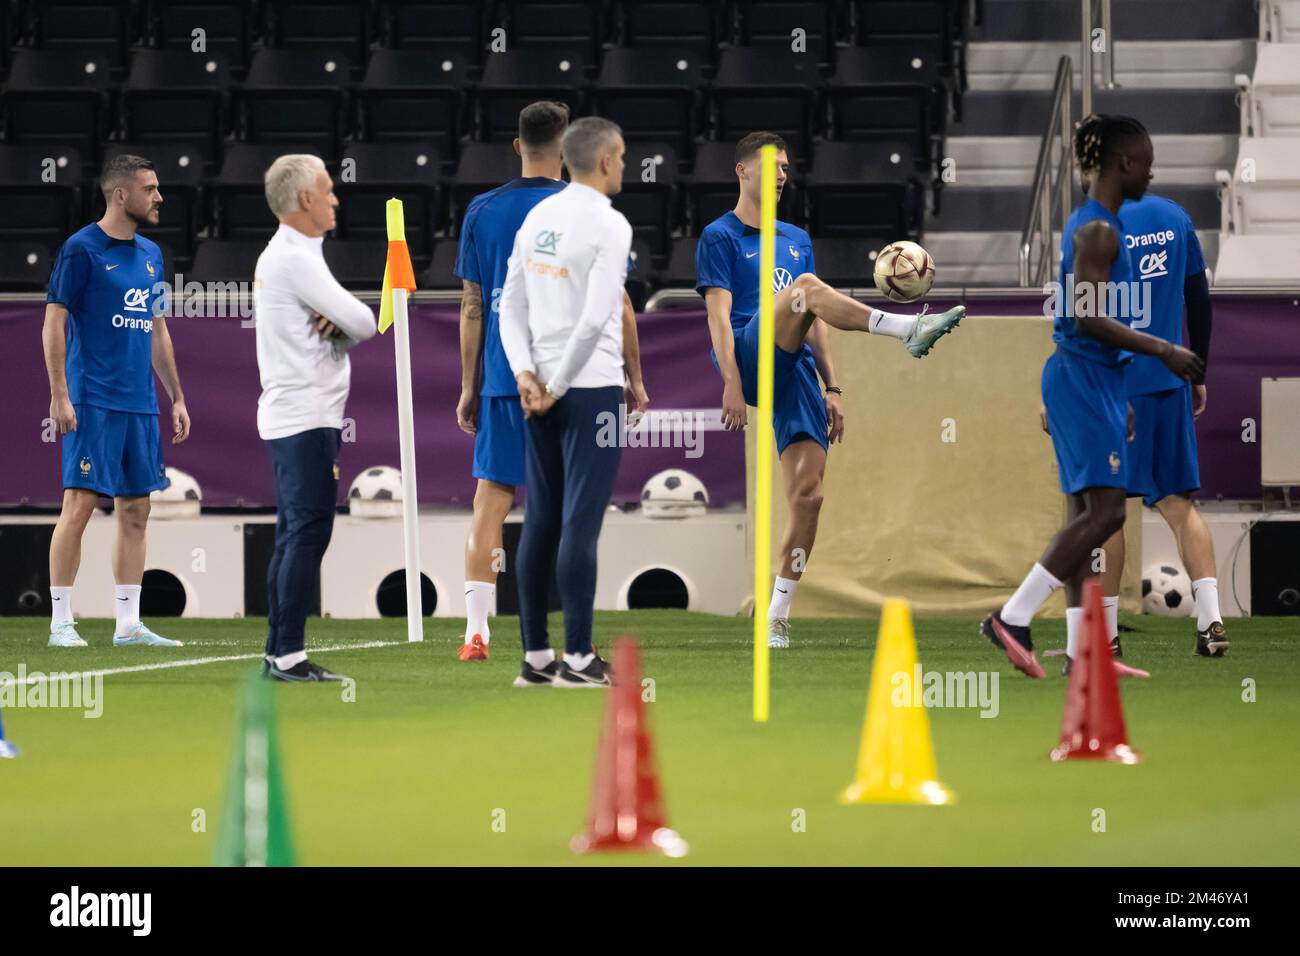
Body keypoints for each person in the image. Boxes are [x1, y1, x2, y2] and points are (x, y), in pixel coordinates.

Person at [695, 131, 965, 649]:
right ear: (742, 171)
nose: (780, 176)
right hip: (748, 351)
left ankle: (775, 616)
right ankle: (908, 329)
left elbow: (814, 318)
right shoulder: (720, 236)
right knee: (805, 289)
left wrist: (833, 387)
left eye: (785, 168)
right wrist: (731, 382)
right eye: (770, 166)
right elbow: (719, 318)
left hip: (791, 363)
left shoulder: (796, 238)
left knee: (809, 497)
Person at [982, 115, 1203, 678]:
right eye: (1146, 165)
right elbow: (1085, 318)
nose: (1150, 177)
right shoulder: (1098, 232)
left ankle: (1086, 653)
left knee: (1088, 514)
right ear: (1123, 164)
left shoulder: (1094, 223)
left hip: (1095, 381)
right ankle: (1013, 615)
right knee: (1106, 512)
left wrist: (1117, 390)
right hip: (1081, 377)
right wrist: (1165, 350)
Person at [454, 102, 648, 662]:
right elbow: (617, 307)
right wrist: (634, 375)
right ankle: (575, 646)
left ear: (518, 146)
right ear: (570, 150)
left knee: (491, 504)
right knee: (571, 513)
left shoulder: (484, 210)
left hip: (506, 377)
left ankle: (479, 633)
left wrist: (472, 384)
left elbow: (476, 305)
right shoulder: (581, 212)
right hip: (577, 380)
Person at [1042, 190, 1225, 672]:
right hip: (1167, 382)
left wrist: (1060, 388)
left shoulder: (1087, 223)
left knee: (1108, 510)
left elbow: (1074, 316)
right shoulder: (1175, 216)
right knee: (1180, 505)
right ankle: (1210, 622)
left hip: (1109, 384)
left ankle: (1104, 637)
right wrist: (1198, 372)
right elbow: (1199, 300)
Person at [498, 117, 633, 688]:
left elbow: (510, 307)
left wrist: (528, 376)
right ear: (604, 161)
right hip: (591, 387)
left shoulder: (538, 216)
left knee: (541, 522)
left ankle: (536, 659)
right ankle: (578, 659)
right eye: (622, 156)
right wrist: (554, 383)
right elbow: (598, 314)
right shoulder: (610, 224)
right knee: (580, 523)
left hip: (539, 391)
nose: (625, 166)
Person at [42, 153, 190, 649]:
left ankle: (128, 625)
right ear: (121, 194)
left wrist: (175, 395)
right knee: (80, 504)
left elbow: (157, 329)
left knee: (136, 511)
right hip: (93, 401)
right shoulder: (80, 250)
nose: (159, 196)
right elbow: (54, 322)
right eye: (150, 188)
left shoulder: (151, 254)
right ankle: (62, 621)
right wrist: (60, 394)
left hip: (140, 404)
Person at [253, 154, 377, 682]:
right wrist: (347, 324)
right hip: (304, 413)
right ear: (305, 199)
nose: (335, 199)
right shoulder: (293, 258)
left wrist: (343, 325)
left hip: (301, 412)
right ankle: (286, 654)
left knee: (296, 533)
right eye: (327, 191)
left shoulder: (297, 254)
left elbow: (347, 323)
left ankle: (279, 650)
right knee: (306, 533)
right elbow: (366, 321)